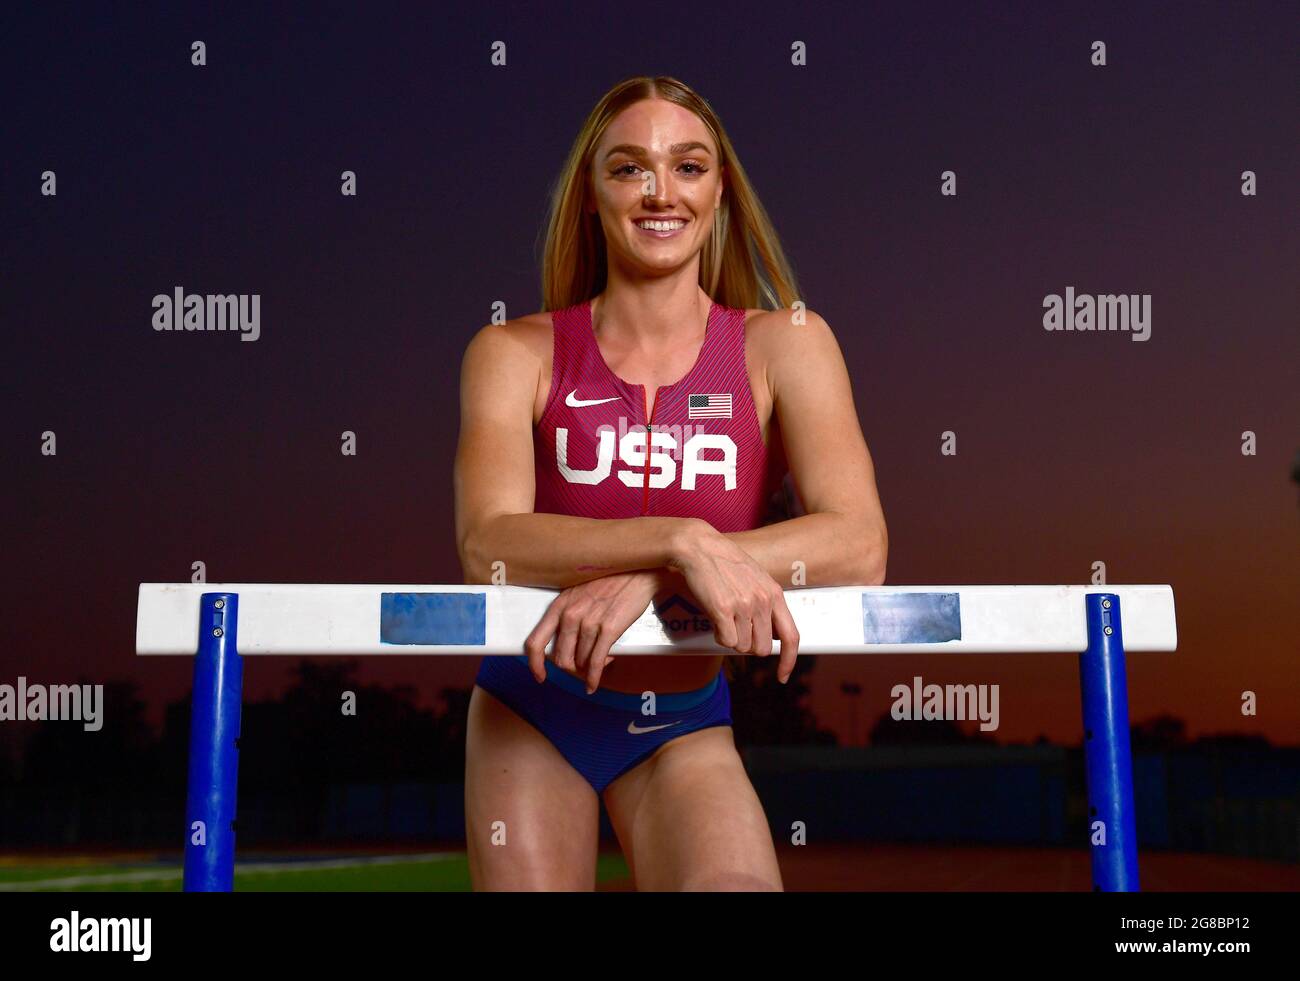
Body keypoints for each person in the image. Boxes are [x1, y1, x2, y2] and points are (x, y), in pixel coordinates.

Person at [454, 75, 887, 891]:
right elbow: (488, 544)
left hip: (681, 720)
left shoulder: (785, 344)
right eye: (628, 168)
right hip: (532, 707)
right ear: (591, 192)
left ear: (720, 190)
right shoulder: (512, 352)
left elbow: (859, 544)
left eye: (688, 167)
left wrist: (658, 576)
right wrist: (678, 538)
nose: (661, 192)